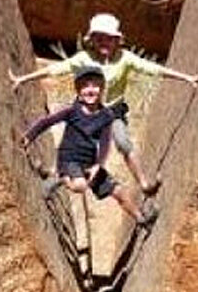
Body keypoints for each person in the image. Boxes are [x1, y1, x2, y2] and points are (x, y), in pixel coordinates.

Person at [10, 12, 198, 196]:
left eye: (108, 38)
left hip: (112, 112)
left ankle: (144, 184)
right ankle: (55, 176)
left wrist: (186, 78)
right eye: (99, 38)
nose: (103, 42)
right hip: (87, 111)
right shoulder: (84, 58)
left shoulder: (125, 58)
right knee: (75, 146)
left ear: (117, 40)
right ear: (91, 40)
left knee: (124, 143)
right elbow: (57, 69)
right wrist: (23, 79)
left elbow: (152, 68)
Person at [19, 64, 157, 227]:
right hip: (69, 159)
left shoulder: (107, 115)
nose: (90, 91)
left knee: (119, 191)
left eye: (95, 86)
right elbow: (47, 121)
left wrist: (98, 165)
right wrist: (29, 136)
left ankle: (141, 219)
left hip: (90, 163)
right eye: (85, 86)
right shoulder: (72, 111)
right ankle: (61, 178)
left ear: (102, 89)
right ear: (78, 91)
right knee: (80, 185)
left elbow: (105, 142)